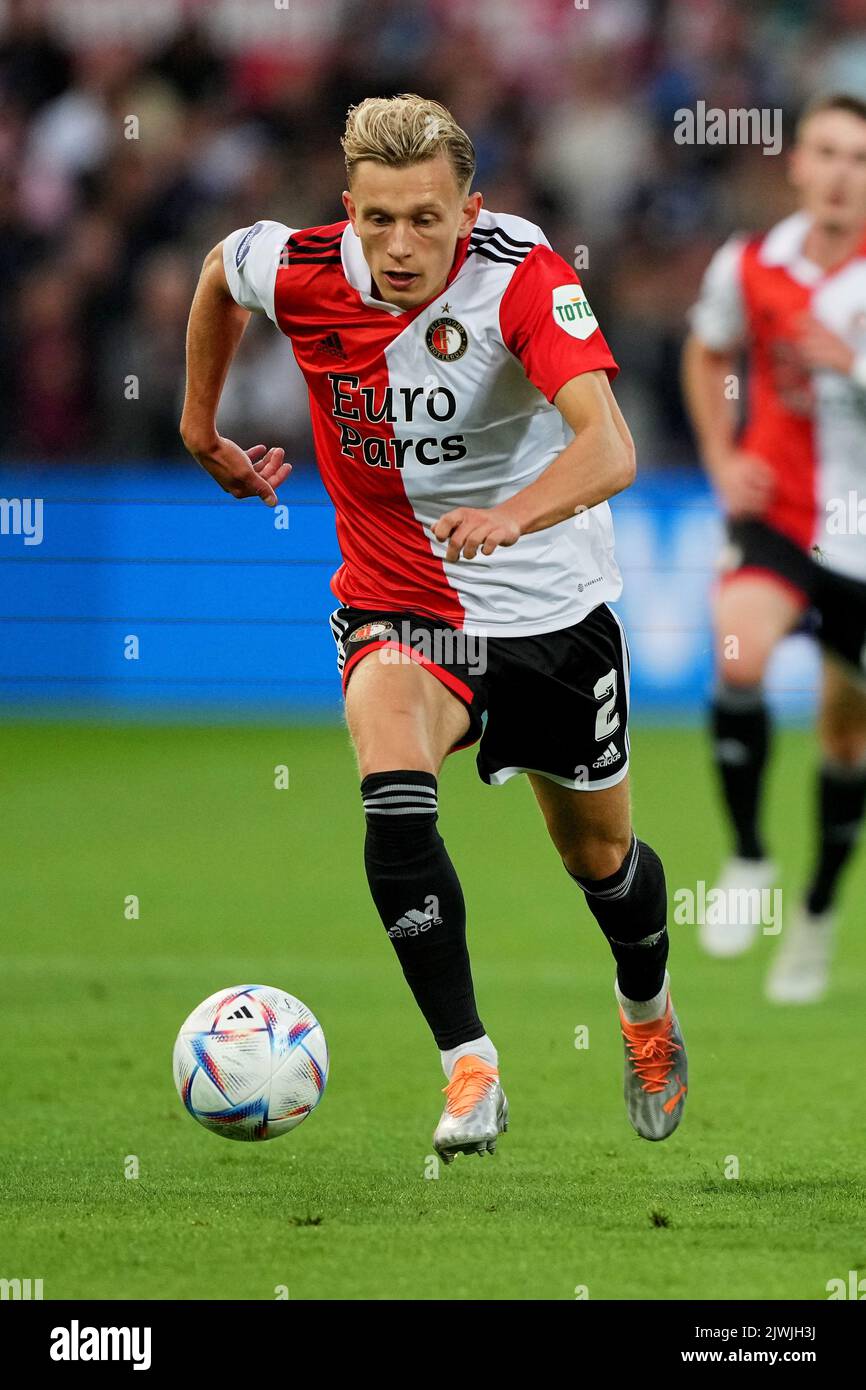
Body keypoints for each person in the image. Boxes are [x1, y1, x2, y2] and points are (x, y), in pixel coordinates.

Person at [181, 93, 687, 1159]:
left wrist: (510, 514)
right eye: (376, 219)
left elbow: (610, 449)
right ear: (346, 209)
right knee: (393, 788)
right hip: (398, 602)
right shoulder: (303, 268)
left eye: (424, 218)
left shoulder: (522, 275)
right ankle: (469, 1062)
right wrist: (200, 425)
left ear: (471, 209)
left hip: (551, 611)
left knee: (598, 860)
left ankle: (644, 1013)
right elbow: (222, 268)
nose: (399, 245)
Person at [683, 94, 866, 1001]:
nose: (840, 173)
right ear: (796, 163)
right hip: (782, 513)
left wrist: (853, 365)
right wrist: (722, 454)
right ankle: (749, 859)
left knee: (845, 735)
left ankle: (821, 913)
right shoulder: (751, 263)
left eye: (859, 159)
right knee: (740, 652)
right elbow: (709, 353)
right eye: (826, 152)